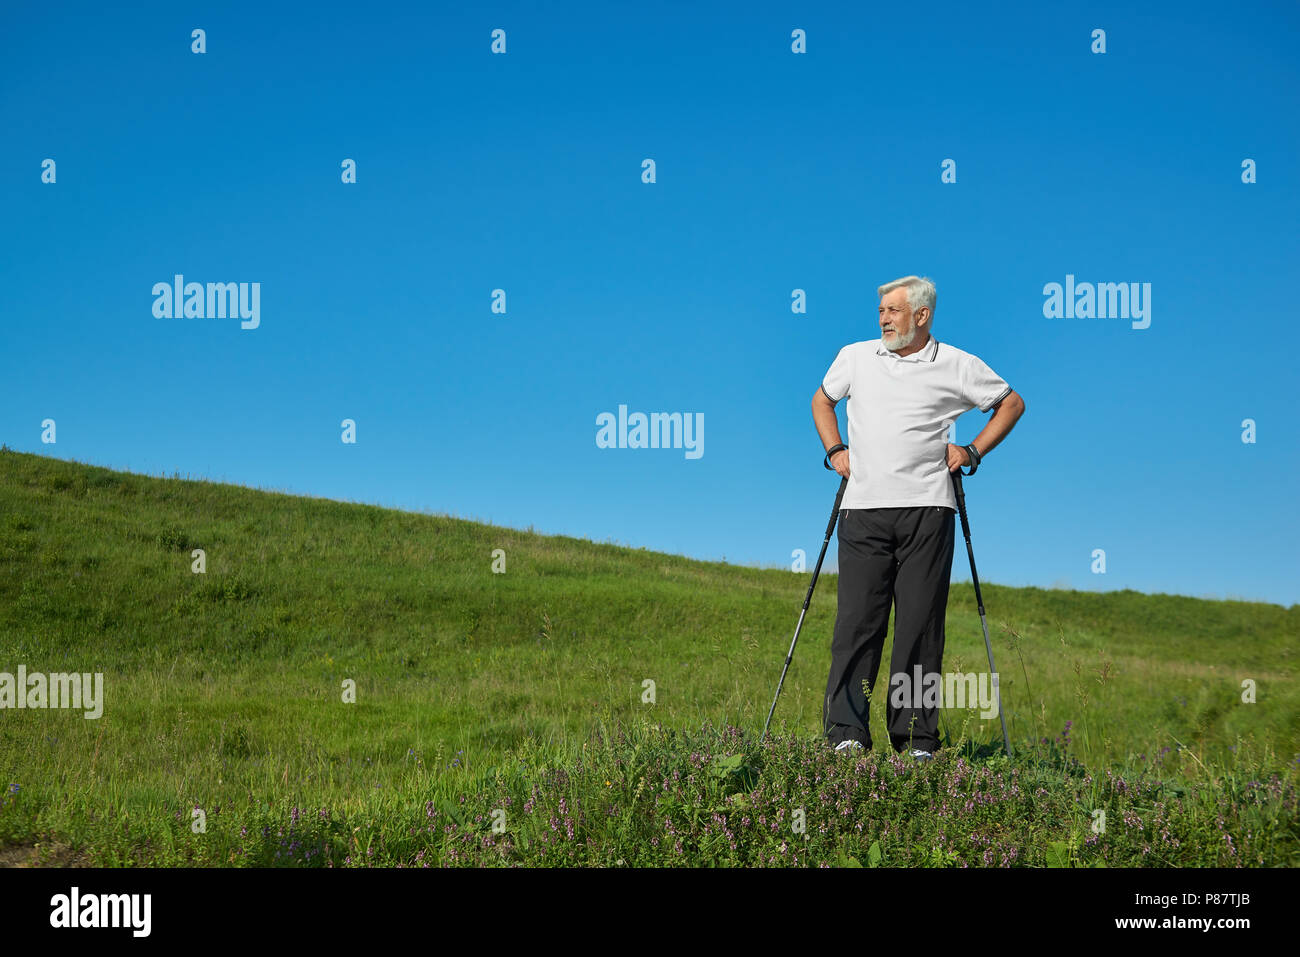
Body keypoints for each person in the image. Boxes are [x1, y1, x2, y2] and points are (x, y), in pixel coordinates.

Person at [811, 275, 1025, 759]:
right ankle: (845, 733)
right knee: (856, 625)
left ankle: (916, 741)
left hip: (929, 510)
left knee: (920, 626)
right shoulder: (856, 357)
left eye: (893, 310)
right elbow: (822, 400)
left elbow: (1011, 404)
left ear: (922, 316)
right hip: (863, 509)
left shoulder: (955, 364)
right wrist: (835, 449)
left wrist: (971, 451)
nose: (884, 318)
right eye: (881, 310)